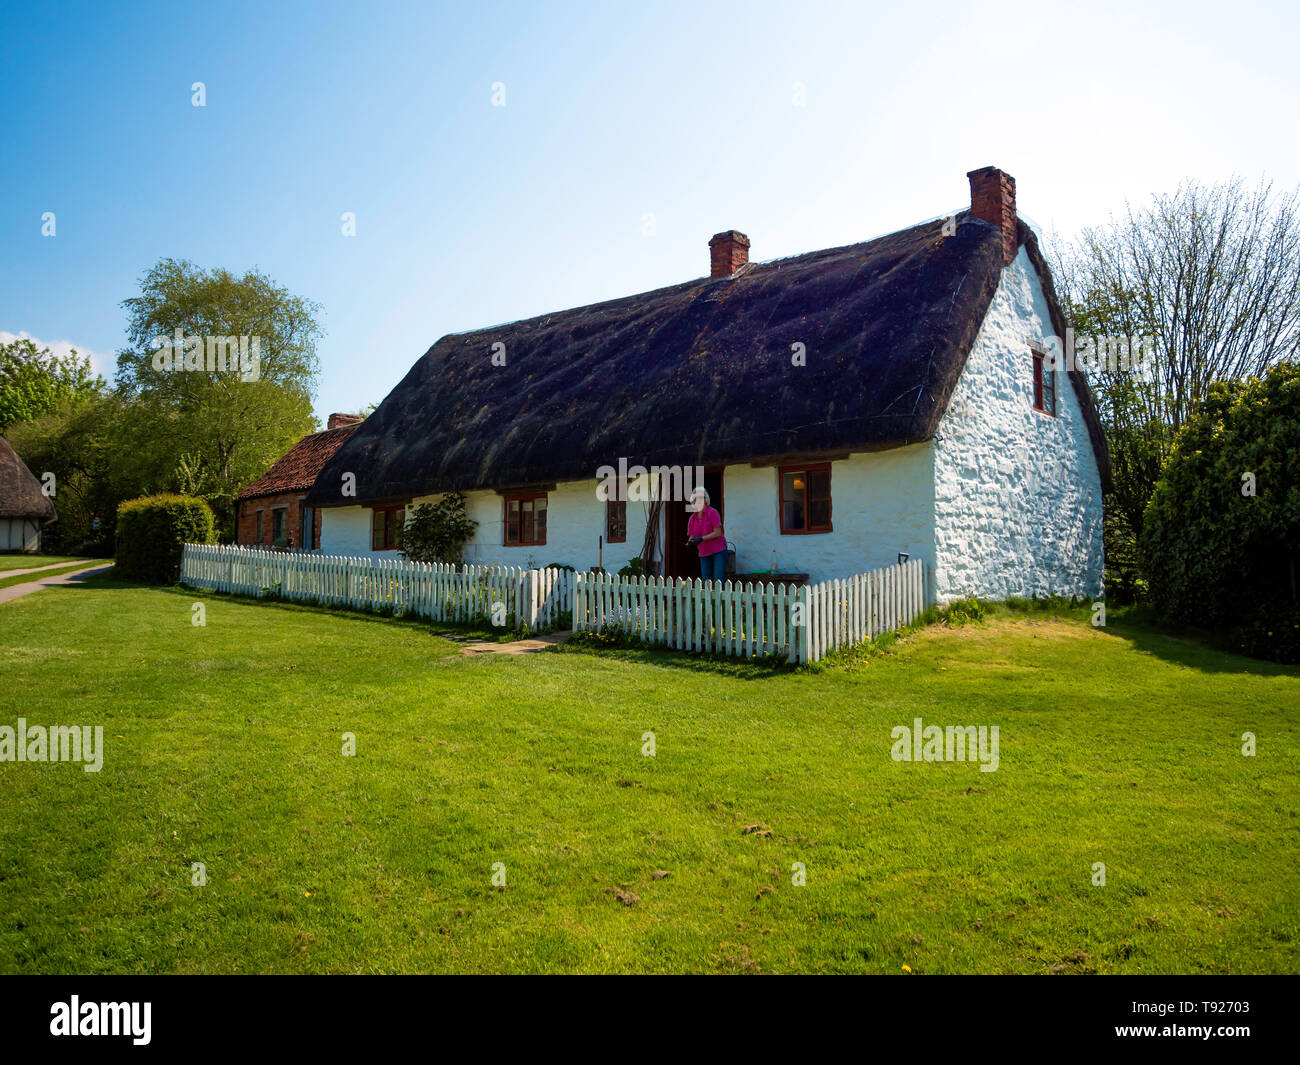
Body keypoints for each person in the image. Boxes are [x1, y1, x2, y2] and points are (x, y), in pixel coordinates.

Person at [687, 487, 726, 582]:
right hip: (704, 553)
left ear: (705, 499)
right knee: (706, 582)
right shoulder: (692, 518)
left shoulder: (713, 513)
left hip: (718, 551)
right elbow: (692, 536)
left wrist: (701, 539)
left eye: (701, 497)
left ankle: (721, 597)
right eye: (696, 498)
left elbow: (718, 532)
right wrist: (690, 542)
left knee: (718, 581)